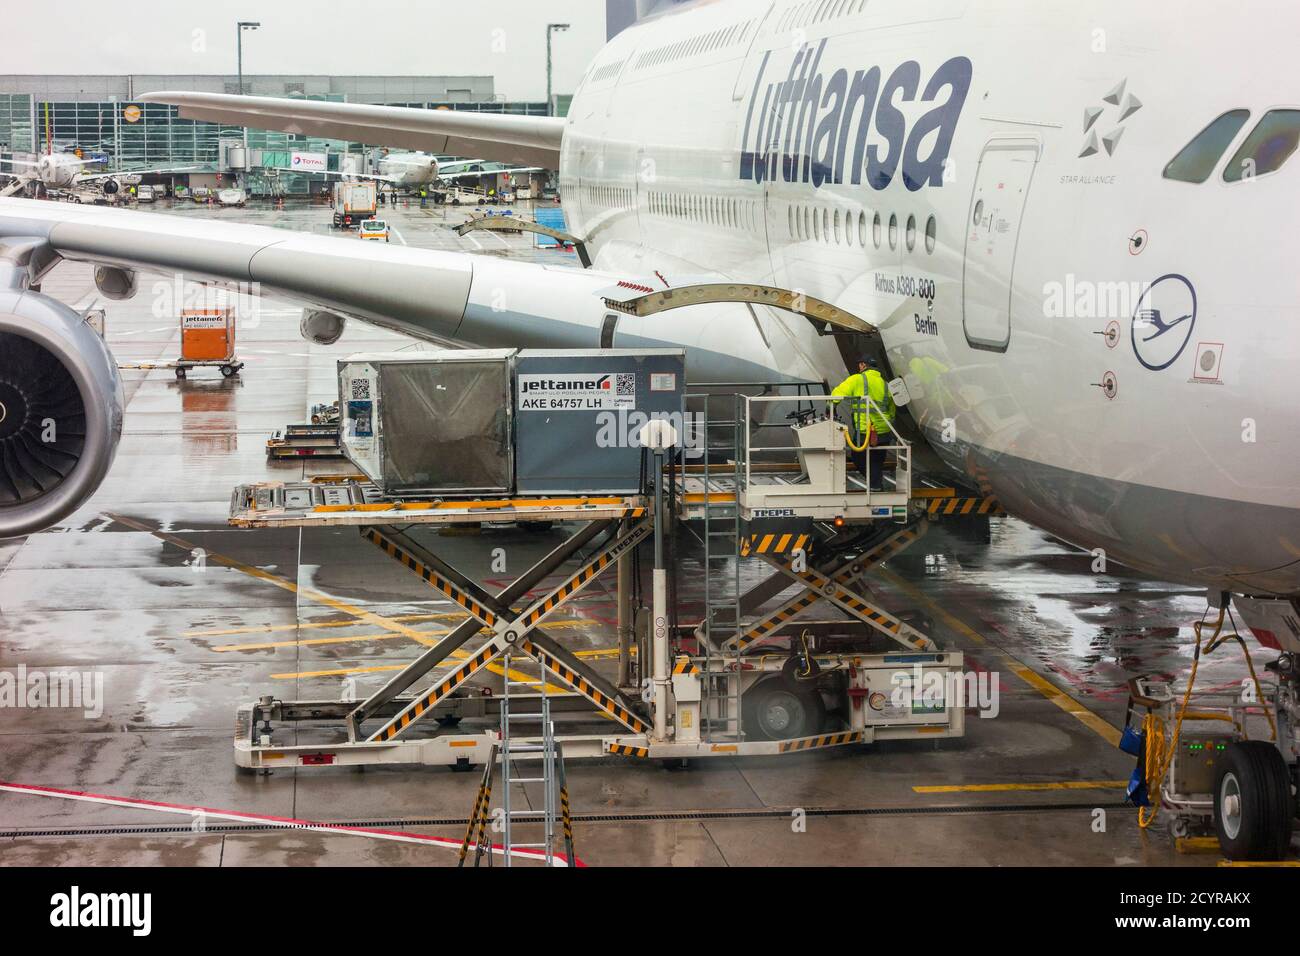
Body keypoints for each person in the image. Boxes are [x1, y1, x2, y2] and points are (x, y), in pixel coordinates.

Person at [830, 358, 896, 491]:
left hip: (866, 429)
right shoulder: (885, 383)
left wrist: (830, 407)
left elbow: (837, 393)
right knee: (877, 459)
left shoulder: (857, 379)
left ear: (863, 365)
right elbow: (892, 409)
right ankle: (876, 484)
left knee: (858, 456)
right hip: (884, 429)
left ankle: (875, 485)